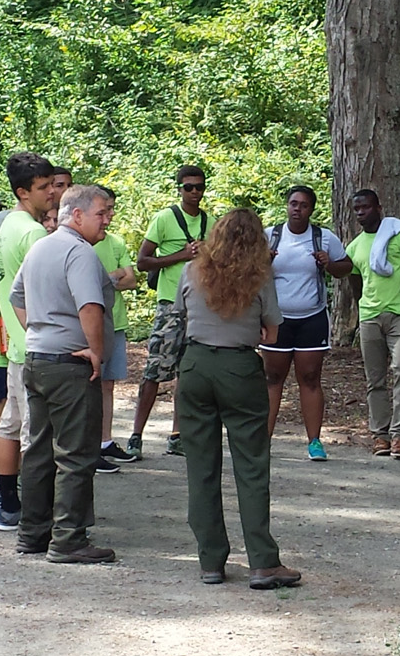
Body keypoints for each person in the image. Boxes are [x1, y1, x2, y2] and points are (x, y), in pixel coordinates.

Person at [174, 209, 301, 589]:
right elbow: (273, 335)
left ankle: (210, 560)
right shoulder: (260, 277)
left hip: (195, 366)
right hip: (240, 368)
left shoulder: (191, 271)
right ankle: (262, 561)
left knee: (201, 466)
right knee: (251, 465)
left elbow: (181, 315)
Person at [9, 184, 118, 564]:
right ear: (78, 215)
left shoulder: (41, 247)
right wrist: (96, 353)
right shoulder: (79, 252)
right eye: (101, 213)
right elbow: (90, 306)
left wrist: (39, 331)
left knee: (38, 450)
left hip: (38, 359)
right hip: (70, 365)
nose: (107, 220)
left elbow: (16, 297)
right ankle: (68, 539)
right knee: (76, 454)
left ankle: (32, 533)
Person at [0, 152, 57, 529]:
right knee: (34, 434)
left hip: (15, 344)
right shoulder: (32, 233)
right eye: (43, 187)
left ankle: (9, 505)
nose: (52, 193)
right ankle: (34, 511)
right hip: (34, 343)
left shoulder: (8, 226)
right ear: (22, 192)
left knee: (10, 426)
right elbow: (43, 289)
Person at [263, 185, 352, 460]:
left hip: (312, 317)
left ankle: (314, 442)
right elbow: (248, 271)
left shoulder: (323, 238)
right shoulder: (270, 236)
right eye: (293, 203)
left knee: (310, 378)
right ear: (287, 206)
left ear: (311, 209)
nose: (297, 209)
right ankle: (262, 442)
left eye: (303, 205)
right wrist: (263, 261)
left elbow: (346, 267)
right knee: (272, 378)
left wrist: (329, 264)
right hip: (276, 318)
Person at [130, 165, 211, 461]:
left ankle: (177, 435)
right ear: (179, 189)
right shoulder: (165, 218)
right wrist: (181, 255)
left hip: (199, 305)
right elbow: (143, 261)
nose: (194, 192)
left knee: (187, 374)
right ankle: (136, 435)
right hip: (170, 305)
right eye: (189, 187)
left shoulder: (210, 222)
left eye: (199, 187)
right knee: (155, 370)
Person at [345, 189, 400, 459]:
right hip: (370, 318)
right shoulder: (355, 247)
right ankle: (379, 435)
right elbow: (355, 282)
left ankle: (399, 435)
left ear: (379, 208)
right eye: (357, 209)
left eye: (366, 207)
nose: (361, 213)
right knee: (375, 379)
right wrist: (362, 311)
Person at [92, 187, 138, 472]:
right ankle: (89, 446)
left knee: (108, 384)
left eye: (111, 209)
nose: (109, 215)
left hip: (116, 322)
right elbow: (88, 285)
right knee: (91, 385)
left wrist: (110, 279)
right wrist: (114, 276)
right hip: (92, 322)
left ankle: (105, 441)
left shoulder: (116, 242)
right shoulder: (83, 244)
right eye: (104, 210)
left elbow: (131, 280)